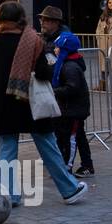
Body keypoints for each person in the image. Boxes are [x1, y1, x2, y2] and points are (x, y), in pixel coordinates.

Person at [0, 2, 89, 206]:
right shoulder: (33, 40)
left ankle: (9, 194)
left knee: (7, 148)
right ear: (20, 18)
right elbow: (43, 72)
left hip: (5, 101)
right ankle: (69, 189)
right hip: (31, 101)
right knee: (48, 146)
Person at [49, 30, 93, 175]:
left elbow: (72, 88)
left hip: (73, 109)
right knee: (77, 136)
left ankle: (66, 167)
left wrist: (54, 91)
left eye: (57, 47)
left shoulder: (70, 67)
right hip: (70, 108)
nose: (55, 49)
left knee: (71, 138)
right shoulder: (67, 64)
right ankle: (87, 165)